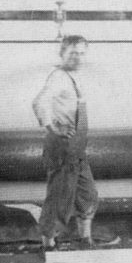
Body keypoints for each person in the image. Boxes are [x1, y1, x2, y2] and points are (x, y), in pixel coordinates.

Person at [32, 35, 99, 251]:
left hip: (77, 150)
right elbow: (39, 102)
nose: (78, 58)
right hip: (62, 149)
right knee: (60, 199)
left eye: (81, 53)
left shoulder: (75, 77)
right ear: (62, 54)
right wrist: (53, 127)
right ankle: (48, 246)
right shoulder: (58, 76)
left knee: (88, 195)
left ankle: (85, 240)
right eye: (72, 53)